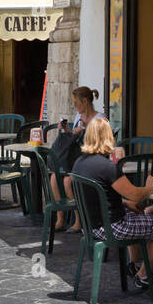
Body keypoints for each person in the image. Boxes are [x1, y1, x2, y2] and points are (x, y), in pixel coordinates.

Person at [71, 117, 153, 290]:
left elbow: (100, 197)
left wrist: (124, 204)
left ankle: (134, 265)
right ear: (108, 137)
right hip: (112, 228)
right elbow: (136, 194)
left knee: (135, 212)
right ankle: (143, 276)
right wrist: (149, 187)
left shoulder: (79, 164)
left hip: (91, 227)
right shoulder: (107, 167)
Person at [52, 86, 104, 233]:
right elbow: (74, 141)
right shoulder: (77, 117)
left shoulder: (99, 118)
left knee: (68, 181)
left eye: (76, 103)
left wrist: (84, 131)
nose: (74, 106)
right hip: (76, 159)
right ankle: (60, 218)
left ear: (85, 101)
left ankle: (79, 220)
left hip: (91, 160)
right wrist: (68, 132)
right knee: (54, 178)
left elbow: (100, 144)